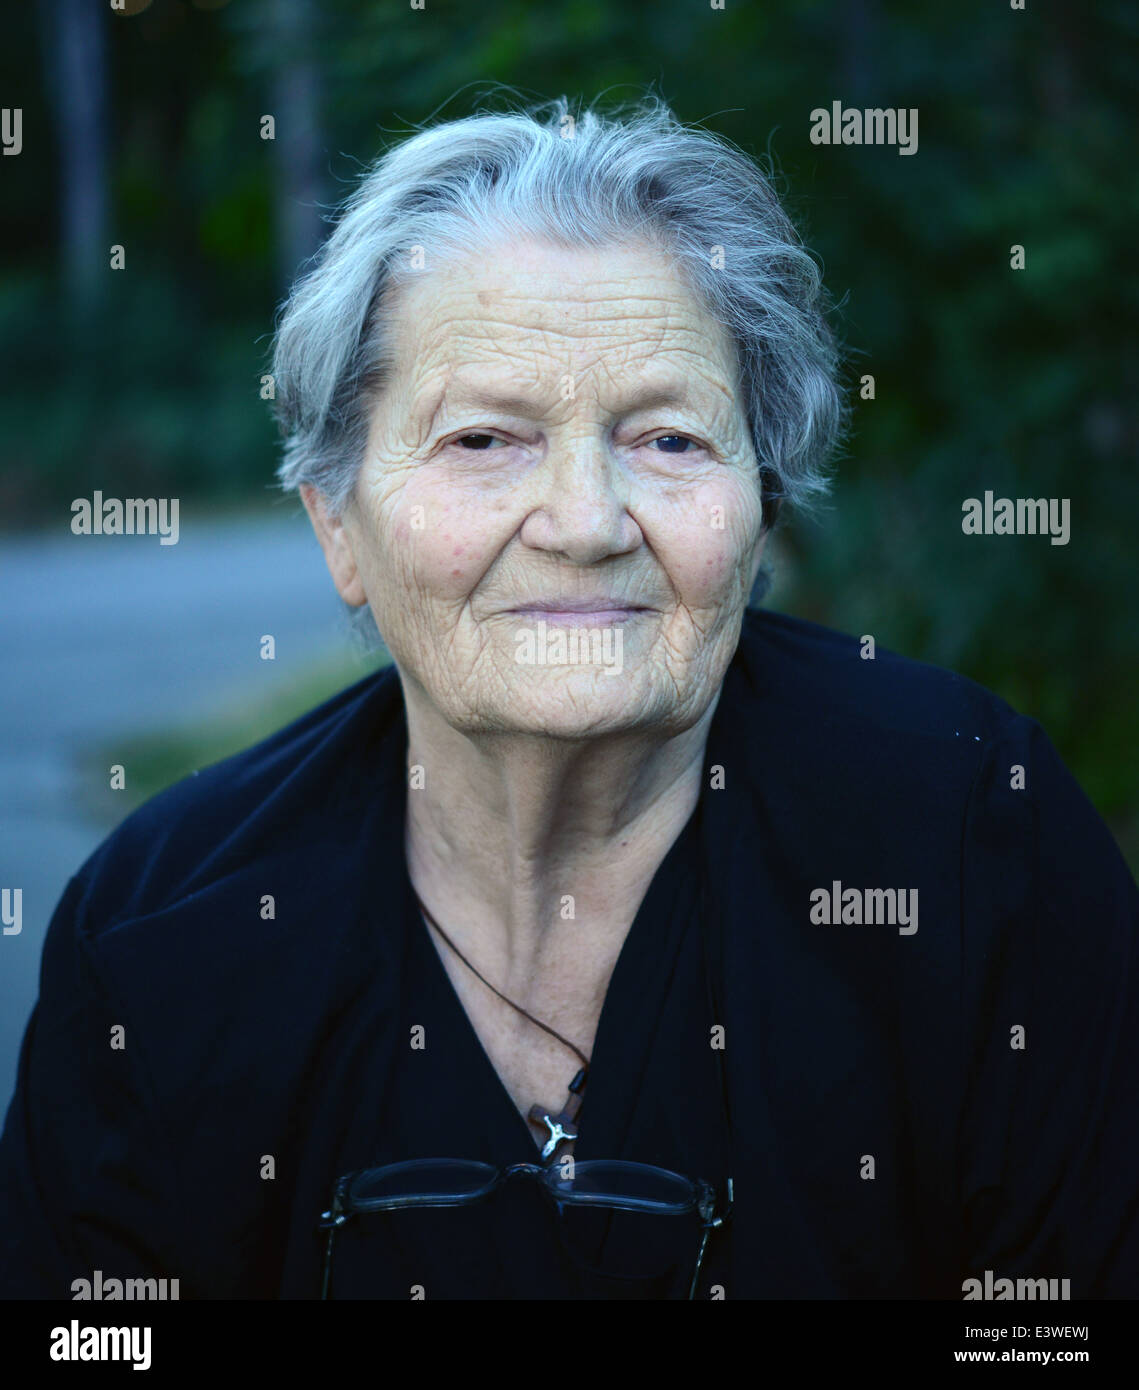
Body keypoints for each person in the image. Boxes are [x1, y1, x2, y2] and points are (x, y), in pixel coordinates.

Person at [2, 96, 1136, 1300]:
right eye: (484, 440)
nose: (587, 522)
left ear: (763, 513)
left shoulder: (972, 843)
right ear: (338, 525)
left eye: (667, 440)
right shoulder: (161, 932)